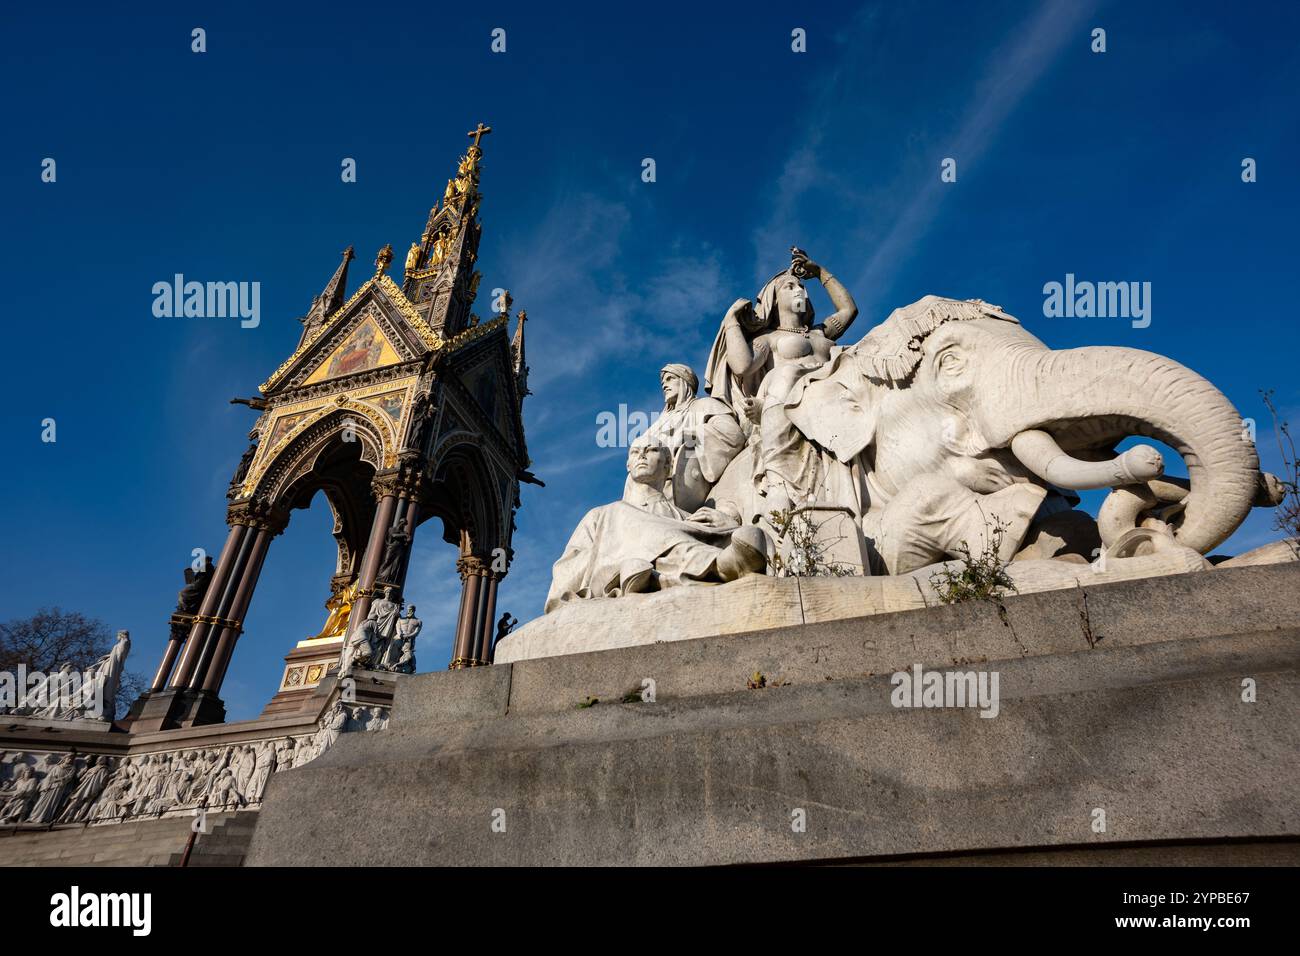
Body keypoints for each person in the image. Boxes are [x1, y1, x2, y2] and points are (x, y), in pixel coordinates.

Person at [705, 248, 861, 514]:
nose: (800, 290)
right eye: (789, 287)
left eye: (801, 286)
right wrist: (731, 322)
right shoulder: (769, 339)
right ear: (774, 300)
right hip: (787, 399)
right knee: (784, 374)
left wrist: (820, 273)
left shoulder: (821, 333)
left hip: (831, 392)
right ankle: (778, 480)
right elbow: (742, 366)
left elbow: (849, 310)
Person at [545, 441, 767, 611]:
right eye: (634, 452)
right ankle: (714, 564)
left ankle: (645, 579)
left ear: (669, 465)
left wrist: (726, 525)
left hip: (646, 570)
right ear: (628, 465)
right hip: (619, 571)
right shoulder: (602, 515)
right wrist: (611, 566)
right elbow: (567, 573)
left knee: (748, 535)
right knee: (620, 513)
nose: (641, 455)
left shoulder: (685, 517)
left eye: (651, 450)